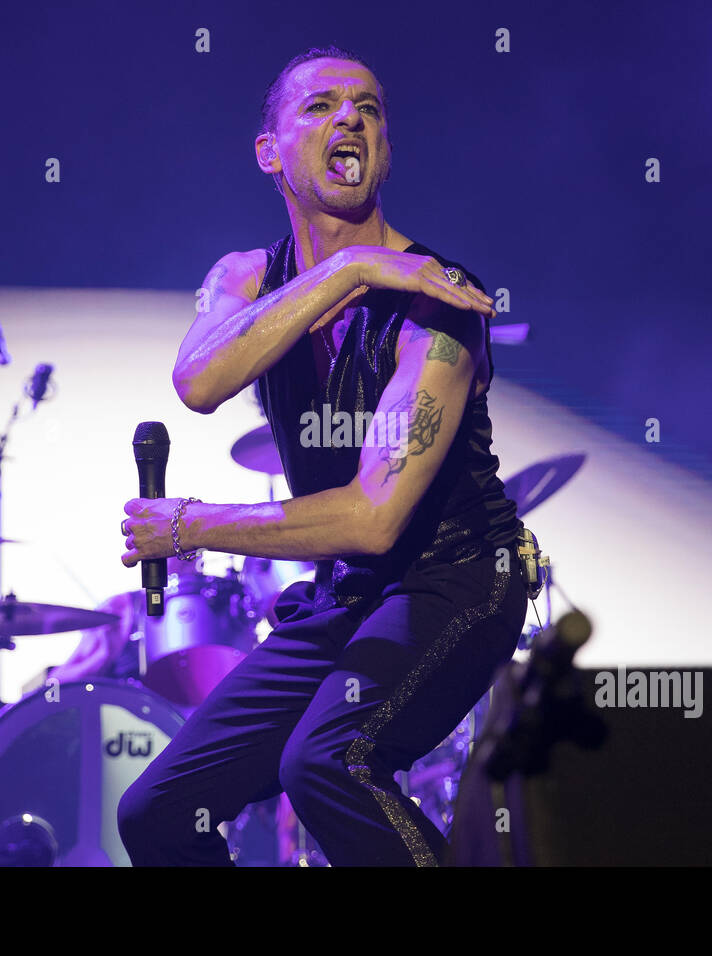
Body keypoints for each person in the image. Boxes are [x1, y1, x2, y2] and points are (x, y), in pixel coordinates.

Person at [115, 45, 527, 866]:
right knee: (157, 812)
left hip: (459, 577)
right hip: (351, 597)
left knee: (329, 761)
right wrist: (349, 266)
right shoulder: (244, 277)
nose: (350, 118)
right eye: (321, 106)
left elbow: (374, 520)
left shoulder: (436, 299)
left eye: (368, 108)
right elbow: (199, 380)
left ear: (384, 146)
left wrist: (192, 526)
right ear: (268, 152)